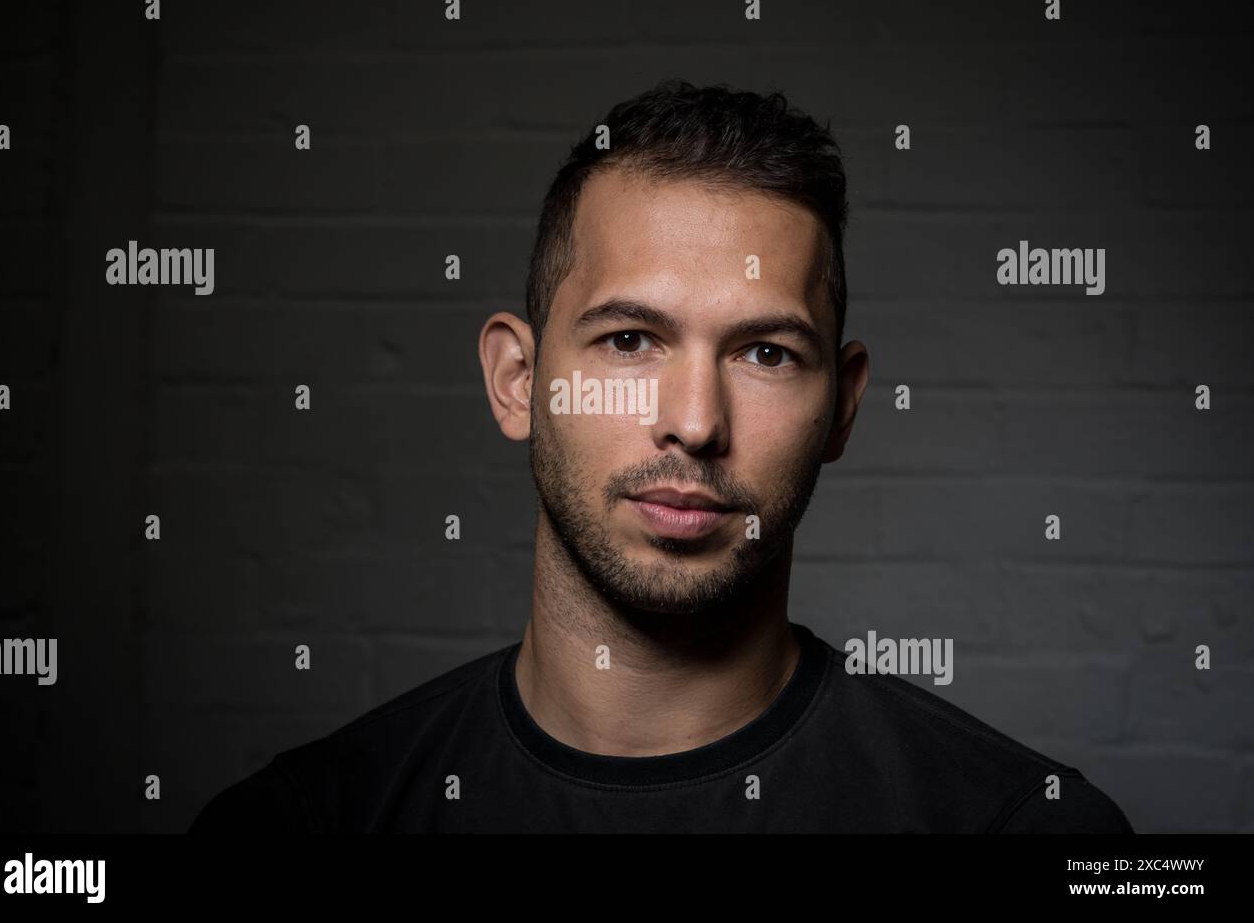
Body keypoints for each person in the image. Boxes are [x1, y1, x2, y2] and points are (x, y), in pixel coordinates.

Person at [190, 79, 1132, 833]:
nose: (692, 422)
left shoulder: (1021, 827)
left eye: (766, 353)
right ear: (519, 381)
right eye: (630, 341)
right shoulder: (303, 819)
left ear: (841, 408)